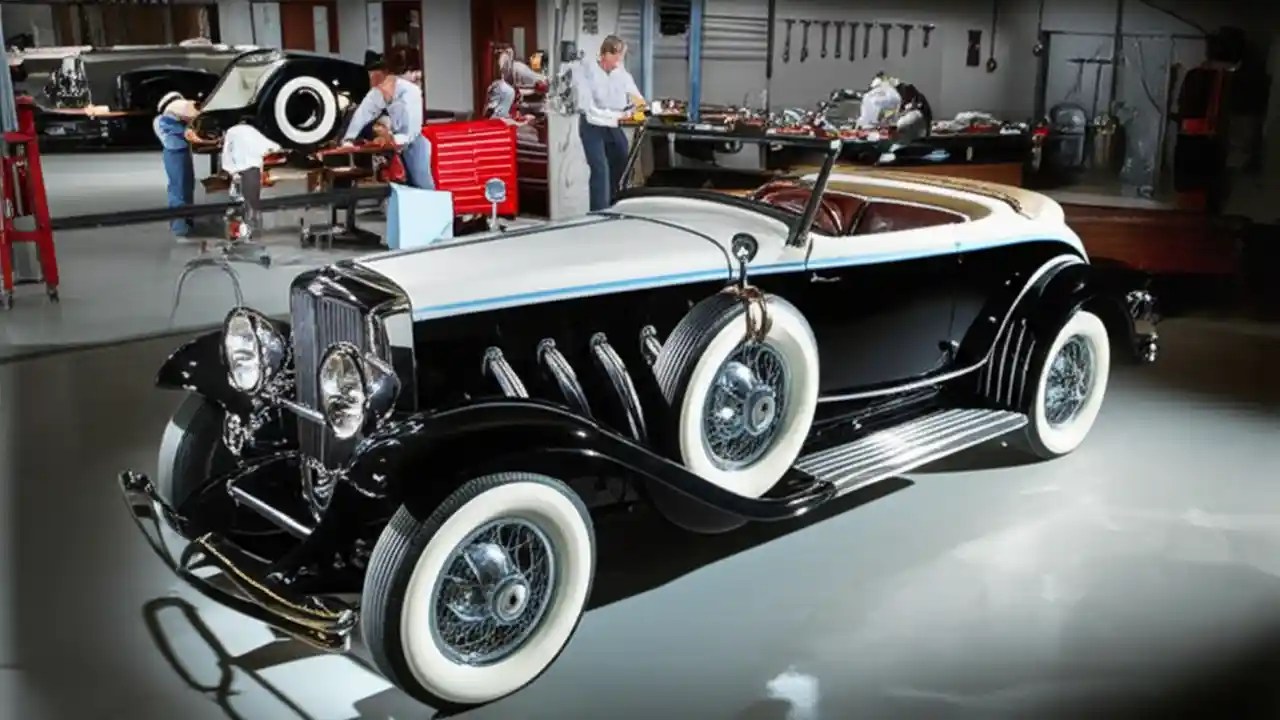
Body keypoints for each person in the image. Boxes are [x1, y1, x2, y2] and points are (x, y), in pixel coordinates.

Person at [574, 35, 644, 211]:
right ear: (605, 54)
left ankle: (615, 204)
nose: (619, 60)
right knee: (600, 169)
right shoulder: (586, 72)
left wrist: (644, 110)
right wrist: (617, 117)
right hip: (592, 125)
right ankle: (599, 212)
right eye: (617, 55)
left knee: (622, 154)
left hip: (613, 125)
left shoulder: (621, 74)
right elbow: (589, 110)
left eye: (622, 56)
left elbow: (636, 97)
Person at [341, 59, 433, 190]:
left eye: (377, 78)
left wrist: (391, 138)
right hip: (396, 143)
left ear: (388, 77)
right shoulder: (378, 92)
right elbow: (362, 113)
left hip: (414, 142)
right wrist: (348, 139)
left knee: (422, 185)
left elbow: (412, 132)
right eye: (371, 78)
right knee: (406, 187)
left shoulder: (410, 93)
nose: (374, 83)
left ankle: (433, 208)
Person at [153, 91, 199, 238]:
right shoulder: (165, 121)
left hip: (182, 154)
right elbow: (189, 130)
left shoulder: (169, 121)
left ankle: (187, 221)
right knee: (178, 189)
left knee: (186, 187)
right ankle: (180, 226)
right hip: (175, 155)